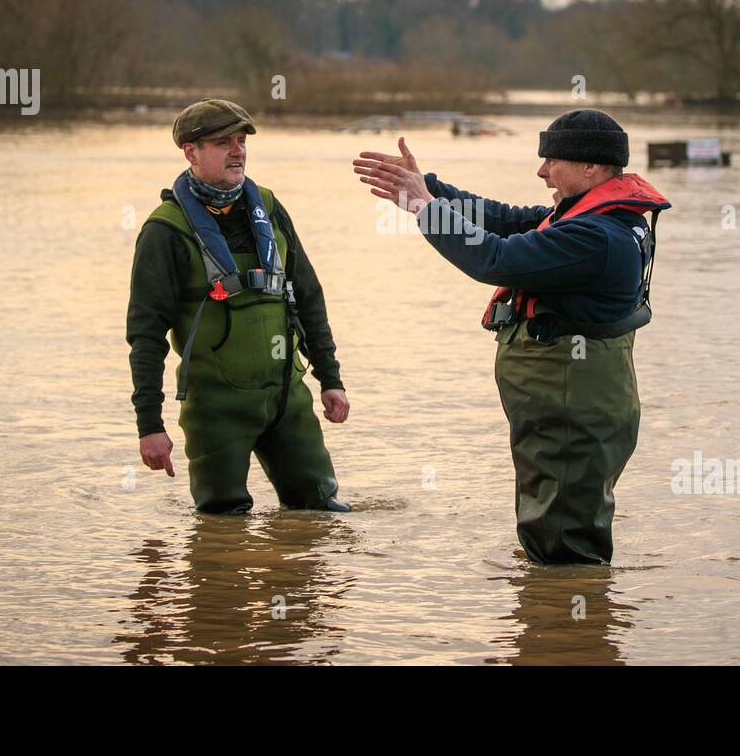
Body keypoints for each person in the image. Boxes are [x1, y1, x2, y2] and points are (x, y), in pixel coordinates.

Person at [353, 110, 670, 563]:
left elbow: (494, 259)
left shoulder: (596, 236)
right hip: (573, 402)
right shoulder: (592, 218)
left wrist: (424, 207)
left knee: (564, 551)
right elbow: (505, 219)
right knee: (555, 531)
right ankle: (560, 620)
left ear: (590, 168)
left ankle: (566, 627)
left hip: (572, 406)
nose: (541, 173)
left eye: (551, 161)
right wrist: (431, 188)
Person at [127, 98, 350, 513]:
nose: (238, 150)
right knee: (219, 528)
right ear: (190, 152)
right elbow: (146, 337)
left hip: (287, 398)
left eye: (242, 140)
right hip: (216, 407)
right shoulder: (164, 231)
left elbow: (308, 296)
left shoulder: (268, 206)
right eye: (222, 142)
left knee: (322, 515)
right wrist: (150, 425)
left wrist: (330, 378)